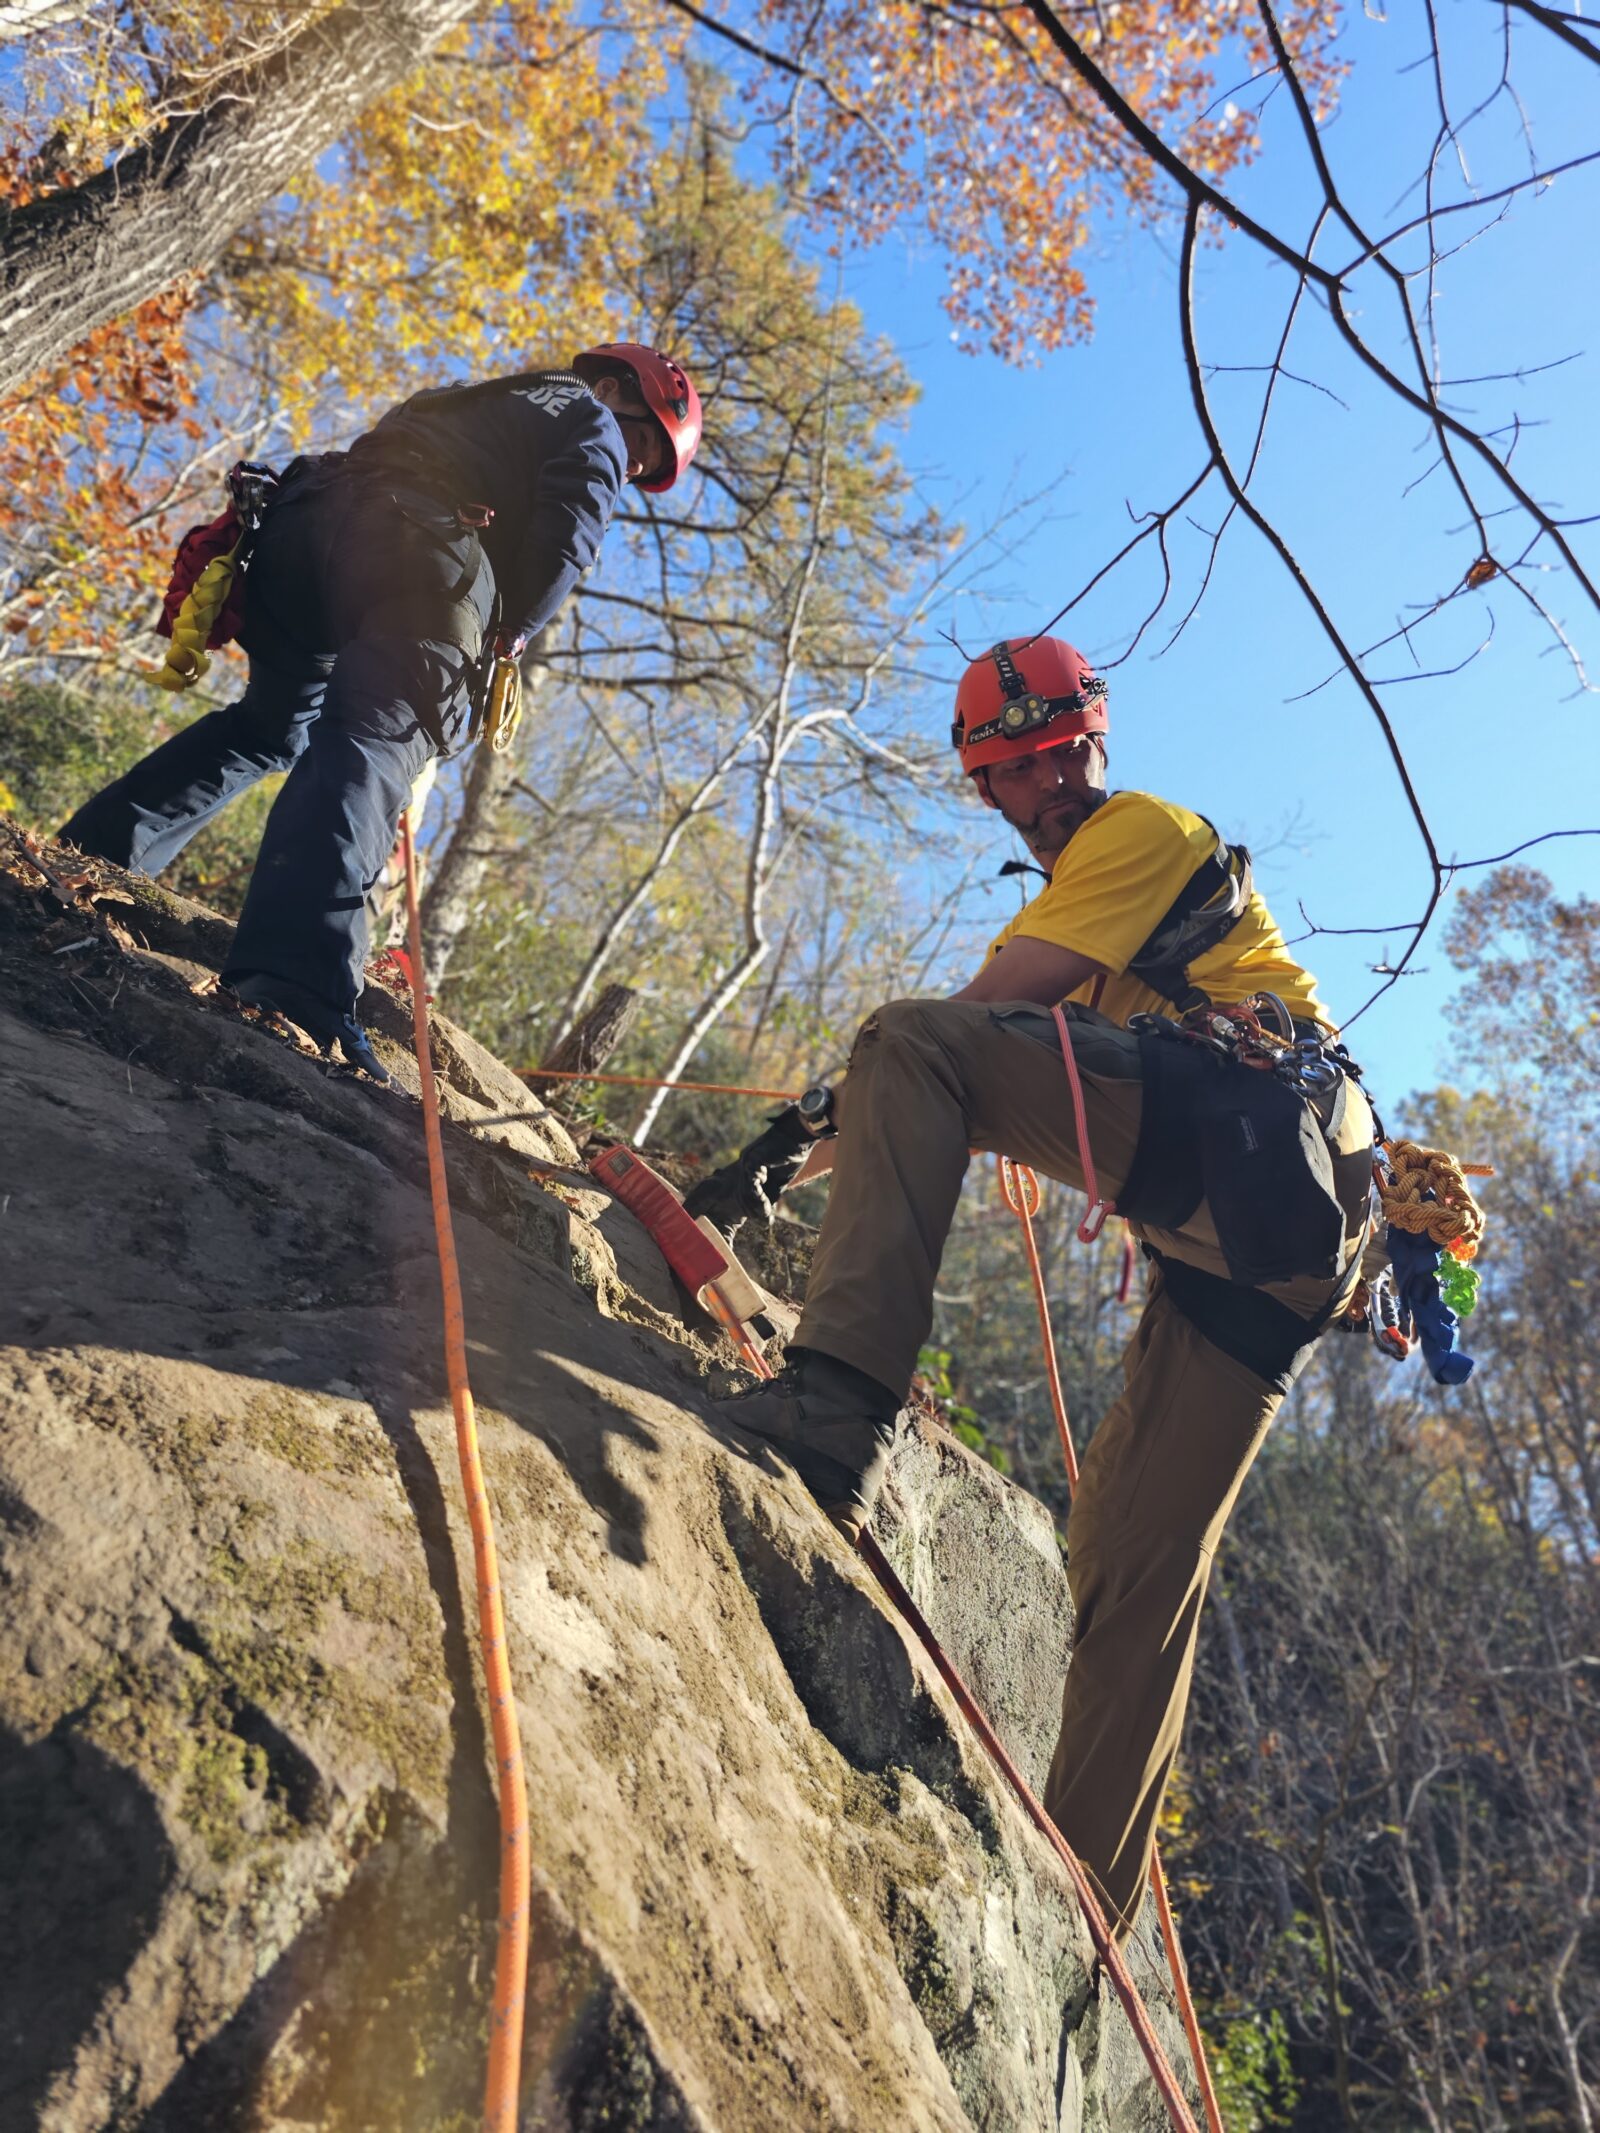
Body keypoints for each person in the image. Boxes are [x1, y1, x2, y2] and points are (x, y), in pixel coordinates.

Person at [686, 634, 1376, 1945]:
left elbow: (969, 1024)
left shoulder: (1145, 834)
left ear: (1096, 742)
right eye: (1014, 768)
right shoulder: (1096, 895)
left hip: (1247, 1141)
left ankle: (836, 1408)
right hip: (1282, 1231)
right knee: (1128, 1558)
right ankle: (1090, 1920)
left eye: (1059, 751)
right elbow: (969, 1051)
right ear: (986, 789)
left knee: (903, 1035)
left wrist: (811, 1131)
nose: (1046, 781)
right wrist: (787, 1157)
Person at [61, 343, 702, 1078]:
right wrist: (507, 636)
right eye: (642, 443)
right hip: (418, 553)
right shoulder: (592, 418)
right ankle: (295, 988)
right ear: (614, 387)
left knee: (270, 730)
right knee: (371, 740)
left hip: (301, 527)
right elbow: (570, 538)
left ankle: (94, 851)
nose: (630, 462)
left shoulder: (471, 396)